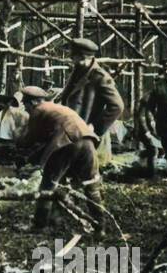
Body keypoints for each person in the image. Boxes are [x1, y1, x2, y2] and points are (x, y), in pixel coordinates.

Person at [15, 85, 104, 229]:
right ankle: (101, 227)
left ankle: (39, 225)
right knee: (91, 185)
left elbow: (30, 139)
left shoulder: (39, 111)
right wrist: (30, 159)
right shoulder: (56, 108)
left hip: (67, 143)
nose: (25, 108)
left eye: (25, 104)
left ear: (32, 103)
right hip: (88, 142)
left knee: (47, 185)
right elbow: (48, 142)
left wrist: (17, 141)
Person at [57, 37, 124, 138]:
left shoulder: (100, 77)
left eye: (73, 55)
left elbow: (117, 106)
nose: (71, 58)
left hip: (87, 134)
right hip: (73, 131)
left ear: (82, 57)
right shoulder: (77, 71)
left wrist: (95, 127)